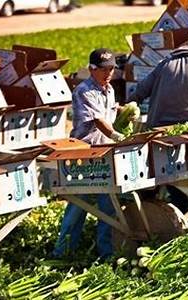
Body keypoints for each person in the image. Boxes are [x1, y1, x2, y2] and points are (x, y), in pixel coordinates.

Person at [53, 48, 124, 260]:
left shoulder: (109, 90)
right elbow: (97, 120)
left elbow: (108, 114)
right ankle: (63, 253)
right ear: (92, 69)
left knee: (108, 207)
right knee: (77, 206)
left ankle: (106, 254)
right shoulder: (84, 90)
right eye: (104, 69)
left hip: (104, 154)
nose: (108, 73)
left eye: (111, 68)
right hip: (83, 155)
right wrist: (115, 135)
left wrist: (122, 111)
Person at [128, 36, 188, 128]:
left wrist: (128, 106)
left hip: (157, 127)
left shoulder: (165, 64)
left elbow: (143, 89)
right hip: (186, 128)